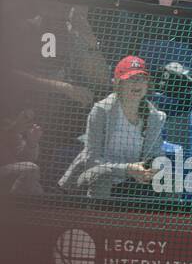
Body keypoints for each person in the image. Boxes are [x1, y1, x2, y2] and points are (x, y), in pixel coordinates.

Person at [59, 55, 164, 198]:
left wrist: (153, 169)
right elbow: (91, 160)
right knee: (102, 174)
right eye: (131, 79)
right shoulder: (101, 110)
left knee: (168, 178)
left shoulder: (155, 117)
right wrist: (127, 169)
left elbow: (155, 155)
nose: (137, 83)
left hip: (132, 181)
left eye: (141, 78)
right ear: (118, 84)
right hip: (89, 178)